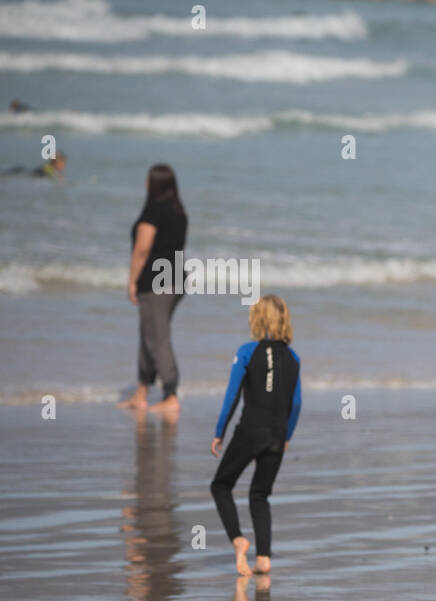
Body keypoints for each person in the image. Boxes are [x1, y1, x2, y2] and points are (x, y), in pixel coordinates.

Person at [209, 295, 302, 577]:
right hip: (276, 436)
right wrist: (286, 436)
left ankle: (239, 540)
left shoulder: (247, 352)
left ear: (257, 319)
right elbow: (296, 403)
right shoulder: (294, 358)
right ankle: (263, 558)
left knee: (221, 485)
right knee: (260, 495)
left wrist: (219, 432)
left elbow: (232, 396)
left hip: (250, 431)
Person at [119, 164, 188, 414]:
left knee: (156, 337)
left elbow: (143, 248)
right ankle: (141, 392)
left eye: (147, 180)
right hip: (176, 279)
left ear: (154, 183)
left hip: (156, 282)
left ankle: (170, 395)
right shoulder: (179, 212)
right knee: (149, 333)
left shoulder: (154, 210)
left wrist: (132, 280)